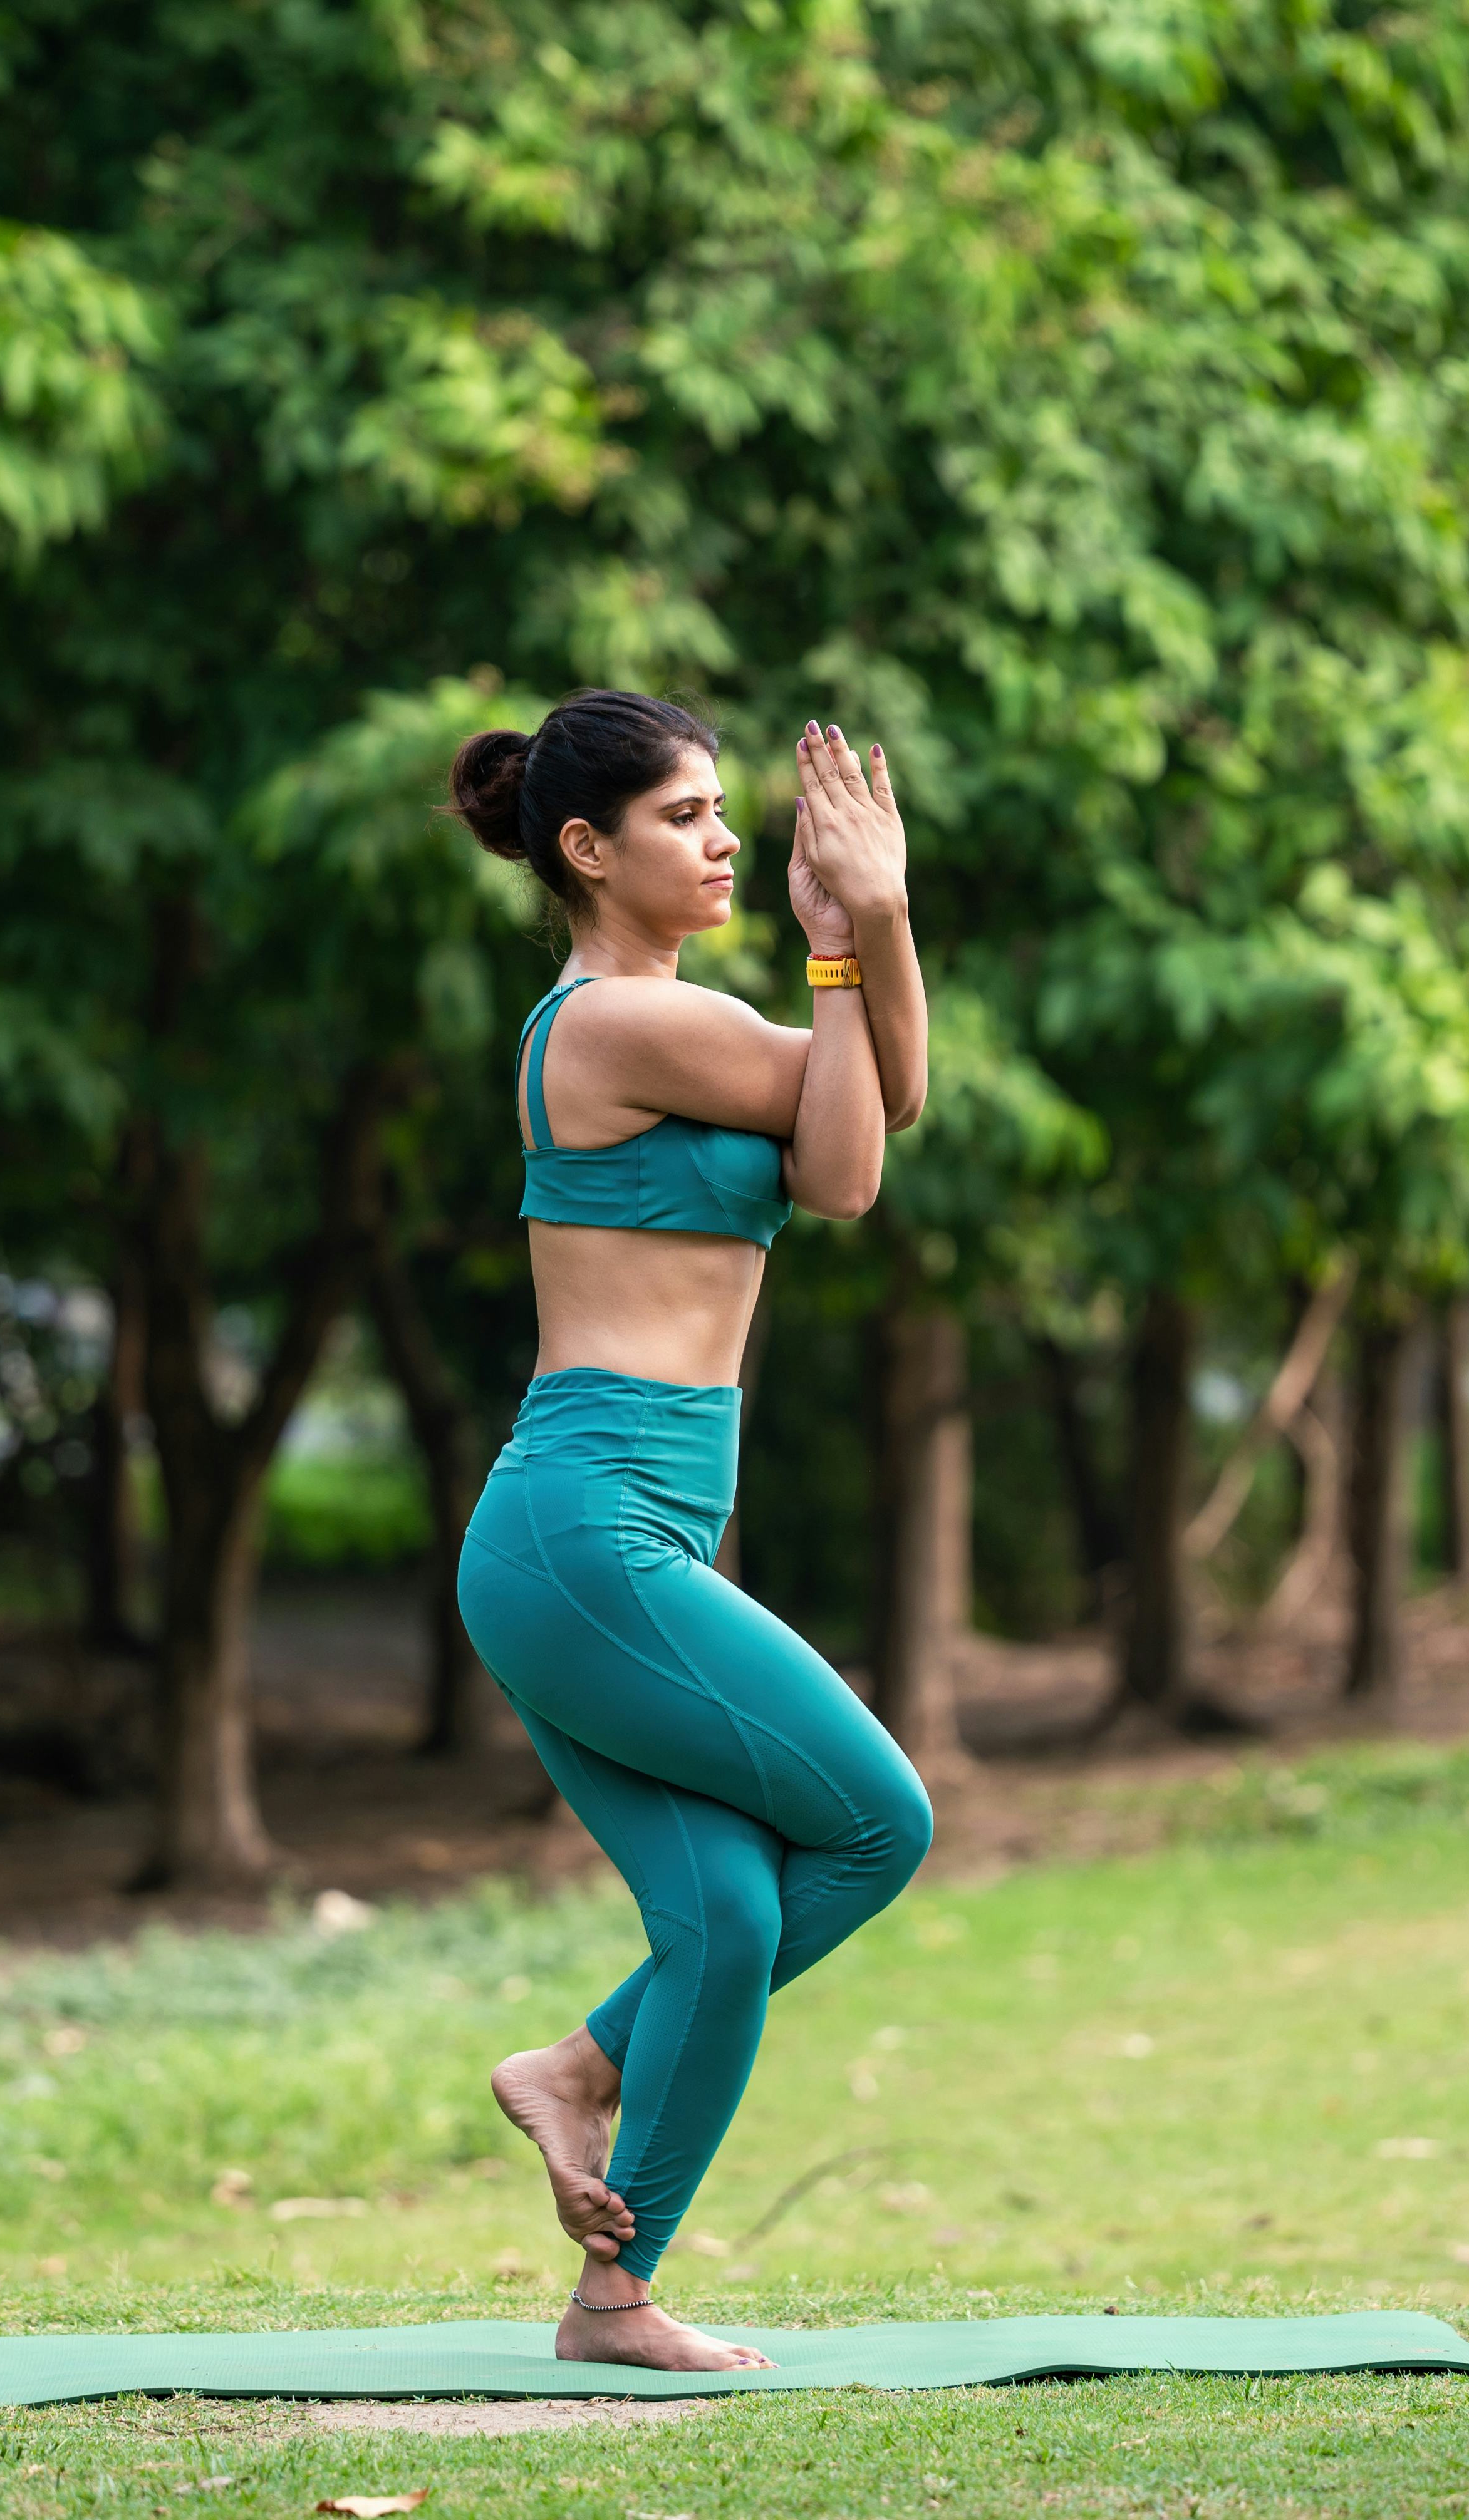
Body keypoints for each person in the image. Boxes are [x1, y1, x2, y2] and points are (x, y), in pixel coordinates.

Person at [447, 693, 937, 2372]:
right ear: (588, 849)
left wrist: (871, 925)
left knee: (729, 1922)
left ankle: (614, 2294)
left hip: (598, 1541)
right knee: (878, 1822)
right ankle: (585, 2067)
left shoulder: (678, 1020)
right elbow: (849, 1169)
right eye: (685, 815)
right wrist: (854, 933)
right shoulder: (615, 1025)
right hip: (589, 1536)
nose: (725, 840)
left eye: (726, 810)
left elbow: (884, 1101)